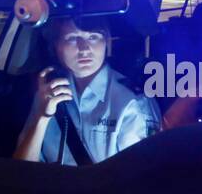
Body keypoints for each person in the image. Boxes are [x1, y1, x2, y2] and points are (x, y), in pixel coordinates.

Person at [13, 16, 160, 164]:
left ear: (106, 43)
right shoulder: (47, 94)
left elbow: (140, 177)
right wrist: (41, 117)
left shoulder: (131, 102)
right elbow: (23, 170)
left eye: (93, 37)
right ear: (55, 46)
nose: (84, 48)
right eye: (72, 38)